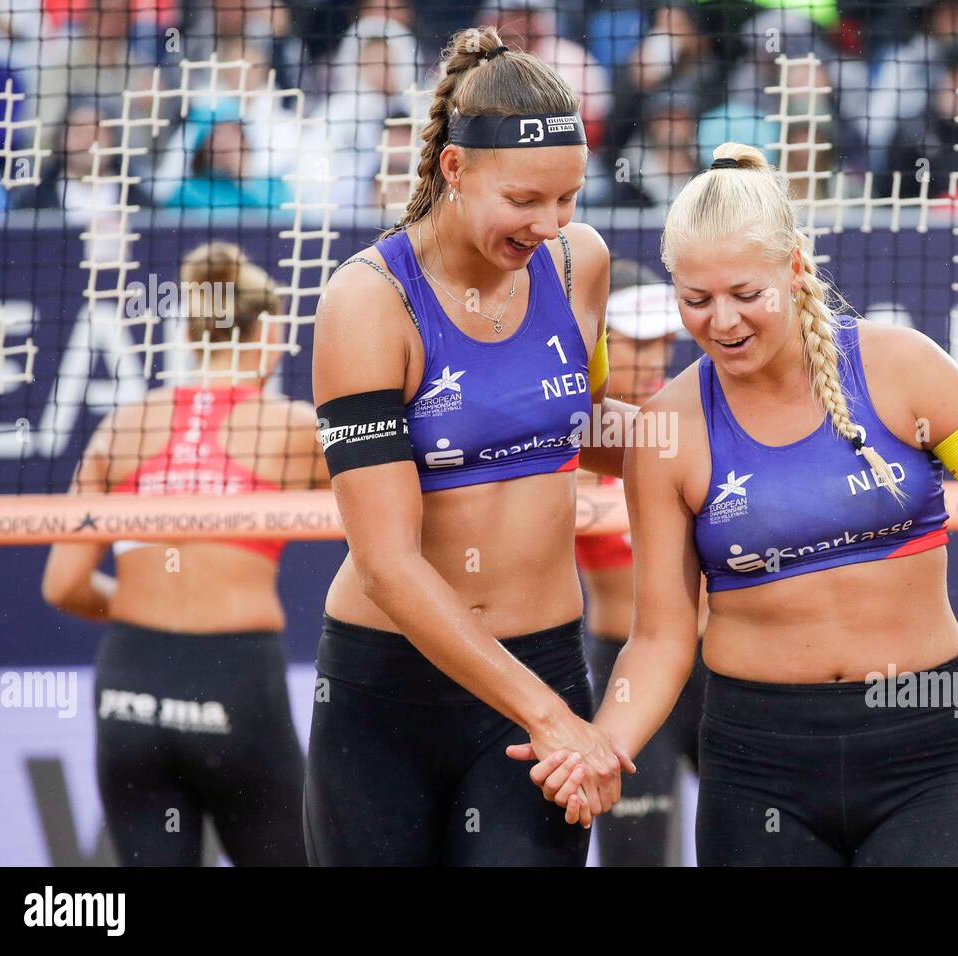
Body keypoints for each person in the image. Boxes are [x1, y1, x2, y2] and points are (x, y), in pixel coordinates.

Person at [521, 144, 958, 865]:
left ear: (794, 267)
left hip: (925, 754)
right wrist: (605, 746)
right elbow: (663, 638)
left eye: (744, 293)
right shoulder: (669, 433)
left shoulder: (908, 369)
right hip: (756, 766)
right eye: (695, 300)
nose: (721, 322)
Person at [303, 26, 635, 867]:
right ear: (455, 169)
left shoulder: (577, 262)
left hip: (544, 660)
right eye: (525, 200)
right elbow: (386, 561)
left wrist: (733, 435)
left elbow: (576, 424)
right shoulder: (369, 301)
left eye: (567, 199)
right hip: (389, 689)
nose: (549, 223)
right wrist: (549, 715)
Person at [41, 241, 327, 866]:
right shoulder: (293, 428)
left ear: (191, 332)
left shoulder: (123, 426)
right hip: (235, 680)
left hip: (129, 683)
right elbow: (393, 521)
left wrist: (144, 602)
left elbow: (64, 586)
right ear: (269, 332)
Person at [577, 261, 707, 866]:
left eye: (663, 337)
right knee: (637, 859)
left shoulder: (697, 423)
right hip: (624, 671)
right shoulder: (567, 437)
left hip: (723, 671)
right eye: (636, 339)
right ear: (600, 342)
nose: (655, 352)